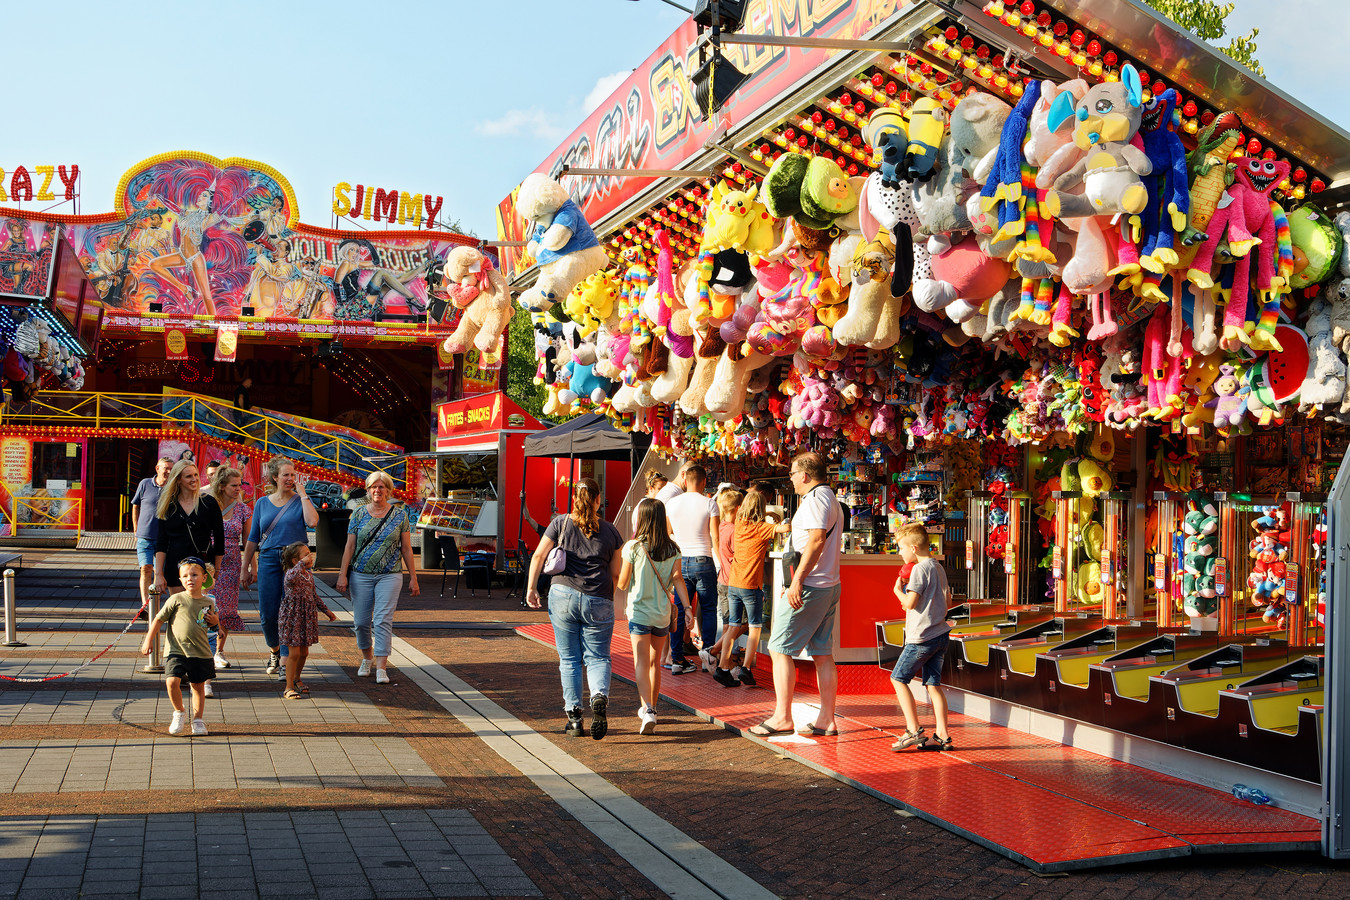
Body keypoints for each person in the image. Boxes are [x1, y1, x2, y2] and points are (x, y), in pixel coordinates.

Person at [749, 452, 843, 738]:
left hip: (811, 586)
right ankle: (826, 719)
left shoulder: (816, 499)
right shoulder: (829, 499)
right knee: (822, 654)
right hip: (826, 584)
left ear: (804, 475)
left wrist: (797, 580)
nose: (790, 479)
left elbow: (815, 540)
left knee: (779, 649)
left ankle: (782, 717)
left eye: (791, 473)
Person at [525, 478, 623, 740]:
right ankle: (599, 696)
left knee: (569, 660)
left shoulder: (560, 523)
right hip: (599, 598)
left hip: (562, 595)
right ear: (598, 499)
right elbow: (615, 573)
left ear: (574, 498)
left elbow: (538, 556)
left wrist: (531, 587)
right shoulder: (611, 531)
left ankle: (575, 718)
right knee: (598, 657)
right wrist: (605, 600)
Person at [617, 498, 694, 735]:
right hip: (662, 614)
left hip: (639, 613)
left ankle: (647, 709)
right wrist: (688, 608)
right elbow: (678, 579)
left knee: (640, 661)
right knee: (655, 663)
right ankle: (652, 708)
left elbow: (622, 583)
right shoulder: (674, 549)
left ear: (642, 518)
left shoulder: (633, 547)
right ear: (662, 519)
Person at [336, 471, 420, 684]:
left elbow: (407, 549)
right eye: (374, 487)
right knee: (361, 622)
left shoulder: (400, 515)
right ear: (368, 489)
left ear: (388, 490)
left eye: (382, 487)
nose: (377, 490)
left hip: (389, 575)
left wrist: (413, 577)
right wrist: (342, 575)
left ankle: (381, 667)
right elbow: (350, 546)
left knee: (383, 620)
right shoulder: (358, 514)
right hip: (360, 575)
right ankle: (367, 657)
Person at [152, 459, 225, 696]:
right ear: (177, 479)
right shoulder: (167, 504)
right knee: (180, 620)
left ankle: (204, 676)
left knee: (202, 620)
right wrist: (159, 574)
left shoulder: (208, 503)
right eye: (188, 477)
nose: (194, 480)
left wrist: (215, 571)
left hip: (202, 568)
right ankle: (181, 668)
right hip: (175, 568)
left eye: (195, 475)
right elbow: (160, 543)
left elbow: (219, 541)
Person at [241, 457, 319, 677]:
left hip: (295, 561)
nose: (290, 479)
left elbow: (313, 522)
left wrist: (303, 495)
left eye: (293, 475)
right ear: (275, 477)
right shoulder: (262, 503)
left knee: (291, 612)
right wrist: (245, 567)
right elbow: (253, 538)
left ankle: (286, 662)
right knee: (267, 614)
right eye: (285, 475)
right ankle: (275, 650)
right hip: (267, 559)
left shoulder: (300, 500)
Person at [889, 523, 954, 751]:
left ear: (913, 548)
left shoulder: (918, 569)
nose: (900, 553)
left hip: (921, 637)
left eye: (901, 548)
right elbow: (947, 603)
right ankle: (943, 735)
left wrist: (897, 590)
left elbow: (909, 603)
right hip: (940, 634)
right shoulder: (938, 566)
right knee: (933, 684)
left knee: (898, 678)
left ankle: (913, 729)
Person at [139, 557, 218, 736]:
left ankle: (198, 720)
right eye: (185, 576)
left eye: (195, 575)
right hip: (176, 650)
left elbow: (214, 625)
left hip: (201, 651)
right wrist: (148, 640)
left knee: (198, 686)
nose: (190, 578)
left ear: (204, 577)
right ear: (180, 580)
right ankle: (179, 712)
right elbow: (158, 619)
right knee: (172, 681)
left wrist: (215, 621)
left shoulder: (209, 602)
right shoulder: (176, 599)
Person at [717, 487, 778, 688]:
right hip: (751, 585)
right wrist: (774, 515)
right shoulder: (763, 528)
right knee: (754, 628)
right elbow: (785, 529)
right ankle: (746, 668)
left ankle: (723, 669)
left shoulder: (740, 525)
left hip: (733, 583)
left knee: (733, 627)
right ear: (760, 509)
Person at [665, 465, 722, 675]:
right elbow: (715, 537)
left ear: (685, 480)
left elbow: (668, 533)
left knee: (680, 609)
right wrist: (721, 562)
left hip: (680, 560)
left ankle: (677, 659)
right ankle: (708, 656)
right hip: (703, 559)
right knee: (708, 609)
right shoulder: (710, 503)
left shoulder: (672, 504)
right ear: (704, 482)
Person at [278, 541, 336, 699]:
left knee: (304, 652)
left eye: (309, 553)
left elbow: (314, 595)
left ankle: (297, 678)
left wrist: (326, 610)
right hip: (292, 617)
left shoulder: (308, 574)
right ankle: (288, 686)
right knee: (294, 653)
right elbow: (290, 578)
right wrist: (300, 565)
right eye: (305, 554)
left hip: (306, 617)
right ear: (295, 561)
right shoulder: (291, 573)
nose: (310, 556)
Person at [209, 466, 248, 670]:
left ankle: (219, 651)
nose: (238, 488)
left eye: (239, 484)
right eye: (234, 485)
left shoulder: (242, 509)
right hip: (208, 563)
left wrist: (250, 566)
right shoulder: (208, 505)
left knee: (226, 609)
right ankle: (205, 649)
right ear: (222, 486)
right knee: (208, 605)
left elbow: (248, 541)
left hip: (232, 563)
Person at [704, 488, 743, 672]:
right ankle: (715, 653)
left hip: (722, 580)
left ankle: (720, 658)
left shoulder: (721, 526)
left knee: (728, 623)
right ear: (738, 508)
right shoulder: (735, 530)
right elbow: (739, 554)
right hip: (732, 582)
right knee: (739, 624)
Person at [131, 457, 173, 607]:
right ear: (157, 469)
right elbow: (135, 505)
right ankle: (145, 605)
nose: (168, 471)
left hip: (164, 539)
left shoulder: (174, 488)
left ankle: (155, 603)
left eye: (170, 468)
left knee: (159, 572)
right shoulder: (145, 484)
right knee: (145, 569)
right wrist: (135, 528)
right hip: (144, 536)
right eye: (166, 468)